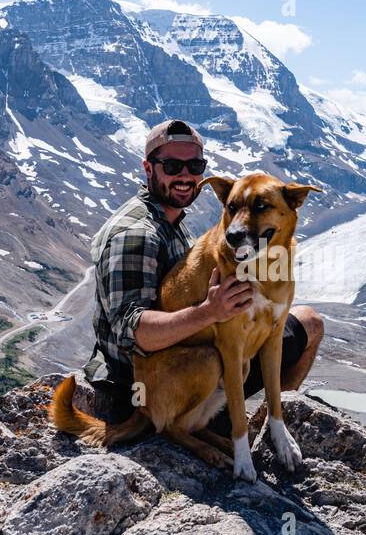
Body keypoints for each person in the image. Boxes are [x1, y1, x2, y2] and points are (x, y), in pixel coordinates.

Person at [82, 118, 324, 425]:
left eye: (195, 166)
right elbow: (136, 334)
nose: (185, 175)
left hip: (193, 360)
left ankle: (267, 426)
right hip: (148, 387)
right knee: (303, 326)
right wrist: (210, 311)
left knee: (307, 322)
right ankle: (221, 428)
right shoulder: (135, 234)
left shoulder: (170, 221)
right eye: (171, 166)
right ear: (148, 168)